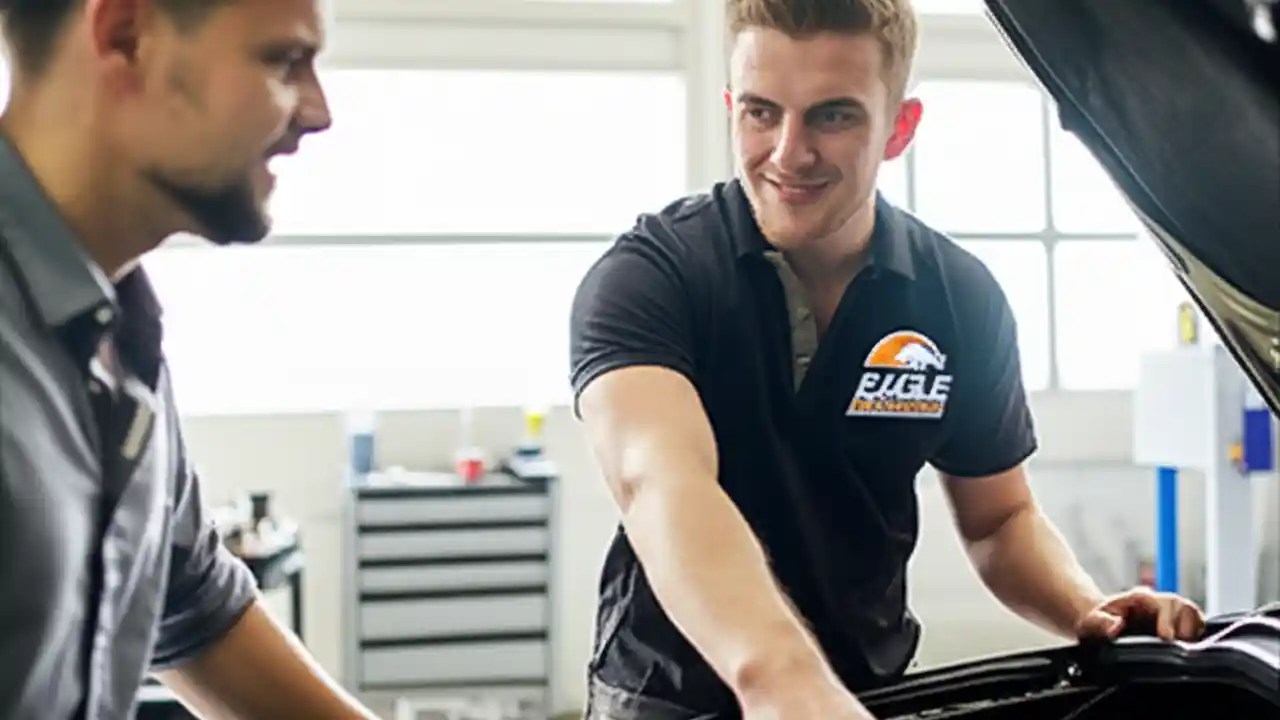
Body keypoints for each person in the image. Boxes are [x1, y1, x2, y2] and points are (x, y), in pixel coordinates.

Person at [568, 1, 1207, 718]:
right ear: (731, 108)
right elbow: (662, 484)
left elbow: (1000, 520)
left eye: (832, 116)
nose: (788, 152)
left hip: (867, 698)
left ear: (899, 127)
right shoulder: (652, 276)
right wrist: (782, 683)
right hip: (672, 701)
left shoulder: (959, 298)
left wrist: (1089, 609)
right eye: (761, 112)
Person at [0, 1, 379, 718]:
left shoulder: (118, 333)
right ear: (126, 35)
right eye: (282, 61)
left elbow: (194, 604)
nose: (318, 112)